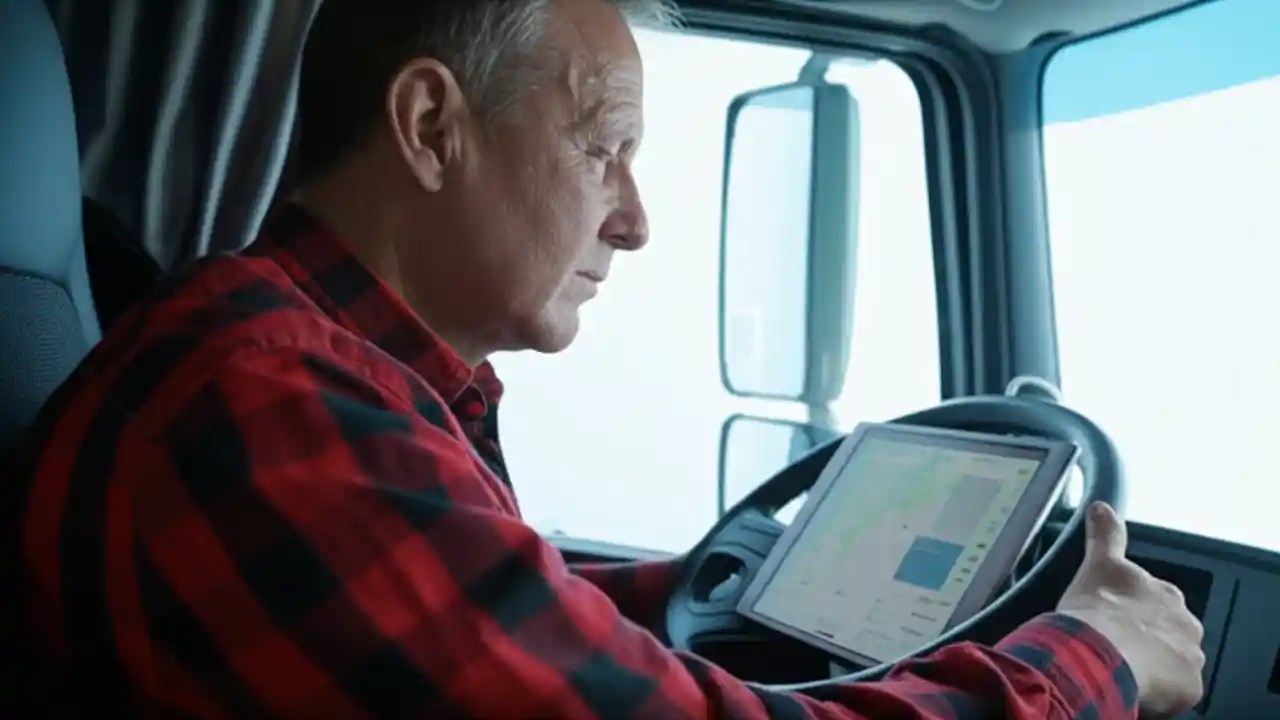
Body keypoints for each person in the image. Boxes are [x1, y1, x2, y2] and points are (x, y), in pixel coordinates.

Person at [9, 0, 1206, 717]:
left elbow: (497, 623)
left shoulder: (336, 384)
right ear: (432, 129)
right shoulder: (269, 407)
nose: (631, 219)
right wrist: (1091, 662)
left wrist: (730, 583)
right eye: (604, 149)